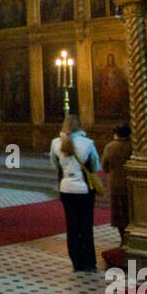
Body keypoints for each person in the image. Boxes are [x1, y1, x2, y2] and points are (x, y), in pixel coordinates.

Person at [49, 114, 101, 273]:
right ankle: (90, 263)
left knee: (71, 226)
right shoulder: (87, 143)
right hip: (83, 189)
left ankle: (76, 263)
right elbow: (95, 165)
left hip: (65, 188)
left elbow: (54, 166)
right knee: (86, 226)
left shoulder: (55, 143)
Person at [102, 123, 134, 239]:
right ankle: (132, 238)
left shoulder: (110, 147)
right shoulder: (133, 146)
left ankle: (122, 239)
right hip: (132, 185)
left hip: (115, 185)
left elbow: (104, 166)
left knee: (119, 216)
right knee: (132, 214)